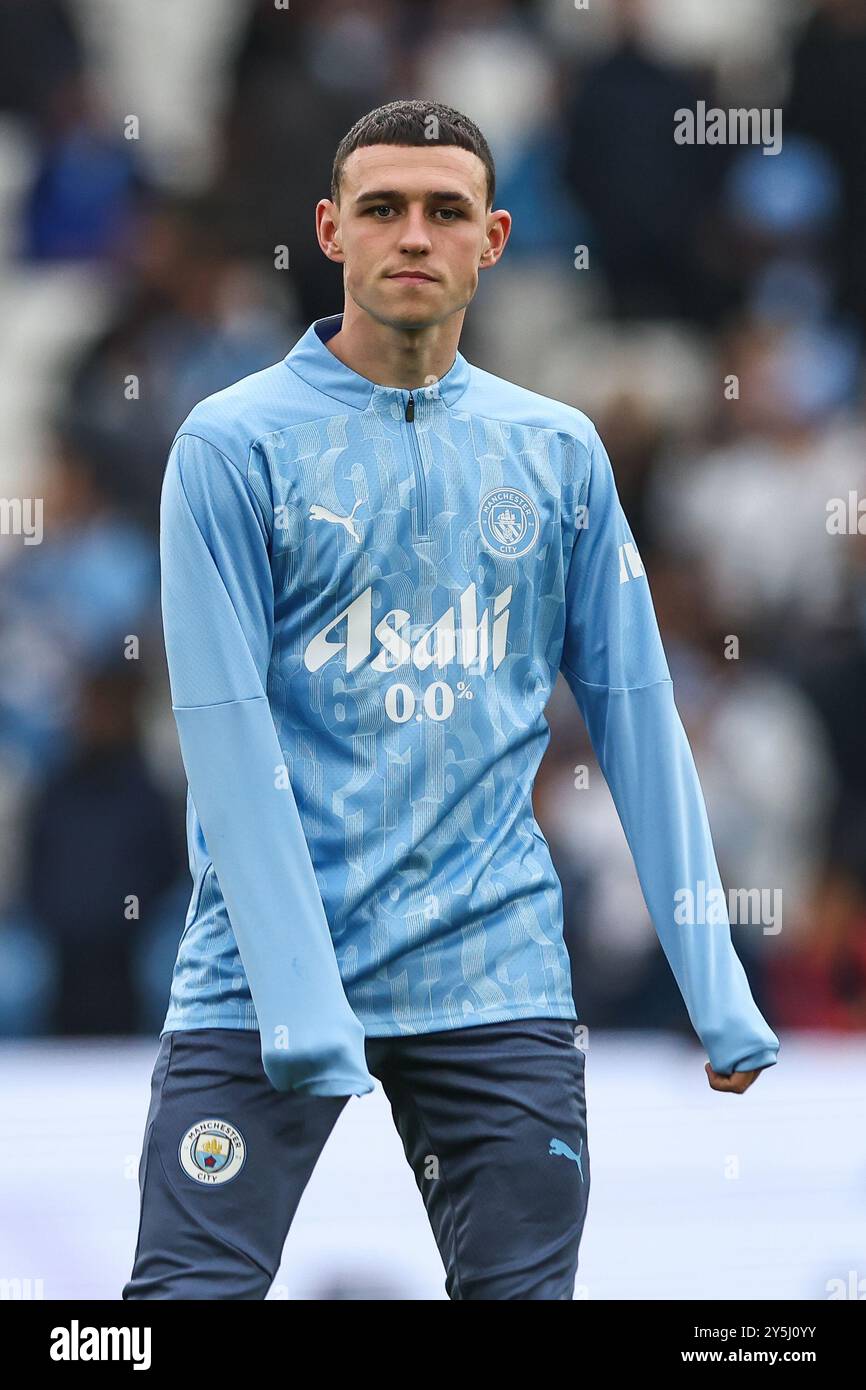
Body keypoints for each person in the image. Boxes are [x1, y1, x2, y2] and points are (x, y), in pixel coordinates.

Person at [123, 99, 779, 1302]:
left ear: (494, 237)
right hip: (259, 979)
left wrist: (714, 981)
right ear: (331, 230)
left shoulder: (557, 452)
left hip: (493, 975)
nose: (413, 234)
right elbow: (221, 732)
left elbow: (637, 717)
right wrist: (299, 995)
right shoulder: (232, 445)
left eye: (445, 210)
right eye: (381, 208)